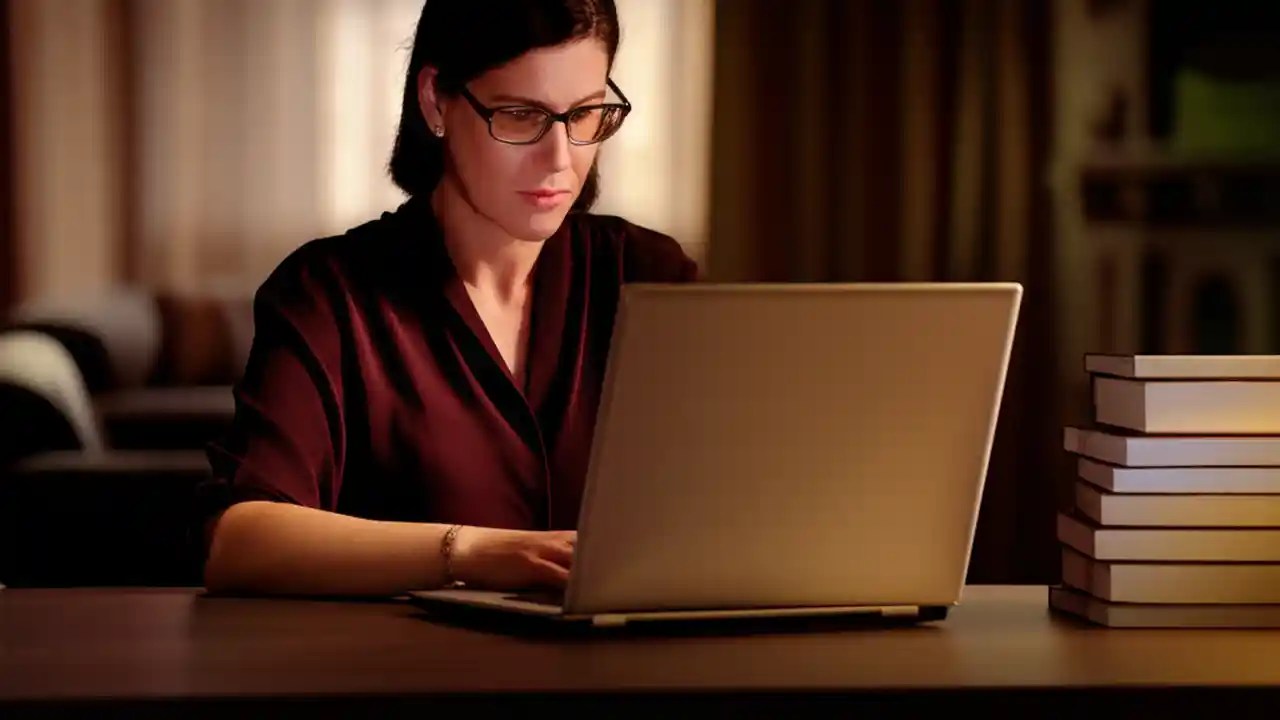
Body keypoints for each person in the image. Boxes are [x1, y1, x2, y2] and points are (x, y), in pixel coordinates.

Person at [198, 0, 698, 598]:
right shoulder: (329, 295)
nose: (560, 160)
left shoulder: (649, 276)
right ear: (436, 100)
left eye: (587, 115)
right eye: (519, 116)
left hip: (628, 678)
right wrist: (472, 551)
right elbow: (241, 540)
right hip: (408, 678)